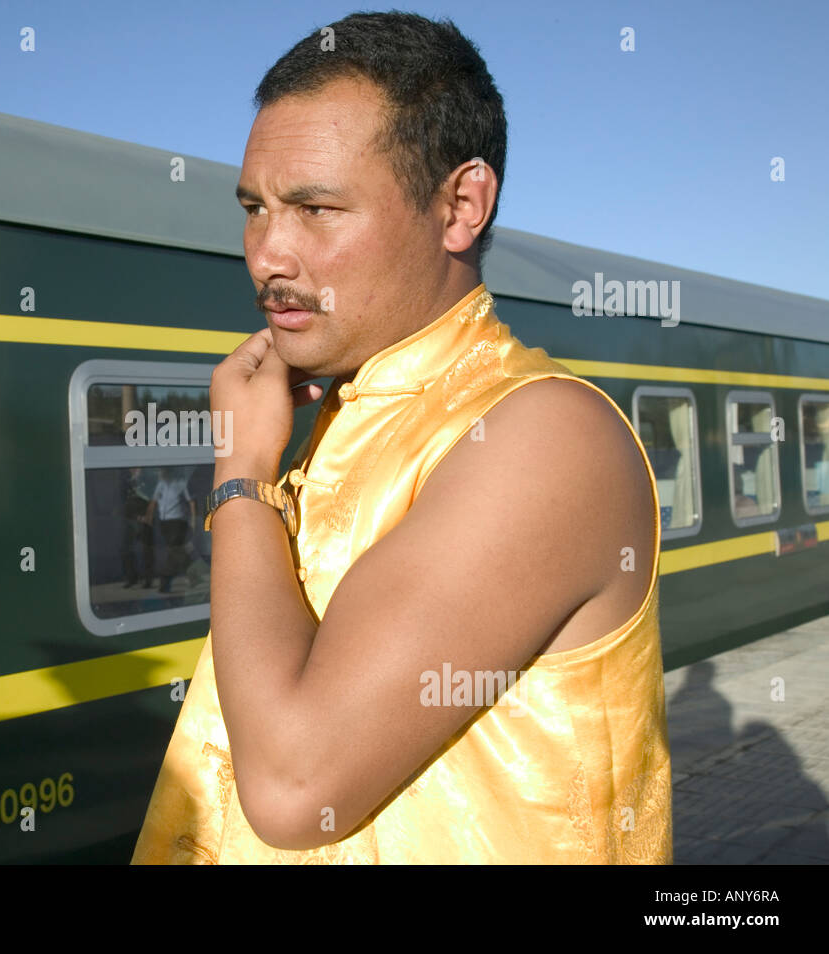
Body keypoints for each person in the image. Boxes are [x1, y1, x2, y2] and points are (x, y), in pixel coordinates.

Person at [131, 11, 671, 863]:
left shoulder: (542, 432)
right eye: (254, 208)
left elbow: (292, 785)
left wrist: (240, 473)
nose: (268, 253)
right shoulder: (343, 412)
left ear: (460, 205)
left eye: (315, 208)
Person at [143, 468, 197, 594]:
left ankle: (165, 581)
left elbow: (191, 502)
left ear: (169, 472)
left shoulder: (181, 483)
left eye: (162, 471)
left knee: (173, 552)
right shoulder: (161, 484)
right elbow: (154, 501)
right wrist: (148, 517)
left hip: (177, 521)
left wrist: (193, 520)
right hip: (164, 523)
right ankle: (194, 575)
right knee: (177, 551)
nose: (160, 474)